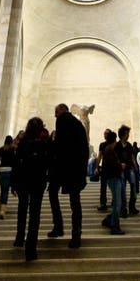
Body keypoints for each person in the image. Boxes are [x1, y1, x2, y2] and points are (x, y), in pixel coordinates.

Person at [49, 103, 89, 248]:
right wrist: (82, 169)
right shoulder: (78, 124)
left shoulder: (62, 120)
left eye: (56, 111)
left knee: (53, 193)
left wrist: (51, 143)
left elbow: (60, 145)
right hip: (75, 169)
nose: (55, 115)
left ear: (62, 110)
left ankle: (58, 226)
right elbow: (84, 148)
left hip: (62, 167)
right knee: (75, 202)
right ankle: (76, 234)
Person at [11, 116, 50, 261]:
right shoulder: (44, 143)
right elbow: (48, 162)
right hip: (37, 181)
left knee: (22, 209)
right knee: (35, 214)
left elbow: (16, 162)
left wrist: (13, 183)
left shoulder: (23, 142)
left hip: (23, 180)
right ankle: (31, 248)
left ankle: (19, 238)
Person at [99, 130, 125, 235]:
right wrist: (121, 166)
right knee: (117, 203)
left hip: (112, 178)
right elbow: (112, 165)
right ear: (114, 140)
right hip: (114, 178)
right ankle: (115, 226)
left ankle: (109, 220)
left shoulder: (108, 149)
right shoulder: (110, 150)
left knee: (117, 203)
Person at [116, 124, 139, 217]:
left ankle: (132, 206)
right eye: (127, 134)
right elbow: (115, 157)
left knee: (133, 185)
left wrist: (135, 166)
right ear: (122, 135)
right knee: (122, 189)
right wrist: (119, 164)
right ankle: (123, 209)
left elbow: (132, 156)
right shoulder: (117, 145)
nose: (128, 135)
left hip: (129, 168)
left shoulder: (129, 145)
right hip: (121, 170)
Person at [95, 128, 112, 211]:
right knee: (103, 187)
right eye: (104, 133)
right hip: (105, 168)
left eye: (106, 133)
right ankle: (103, 203)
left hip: (113, 168)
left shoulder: (114, 144)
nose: (105, 135)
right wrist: (96, 167)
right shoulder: (102, 145)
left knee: (114, 186)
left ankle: (115, 201)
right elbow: (99, 156)